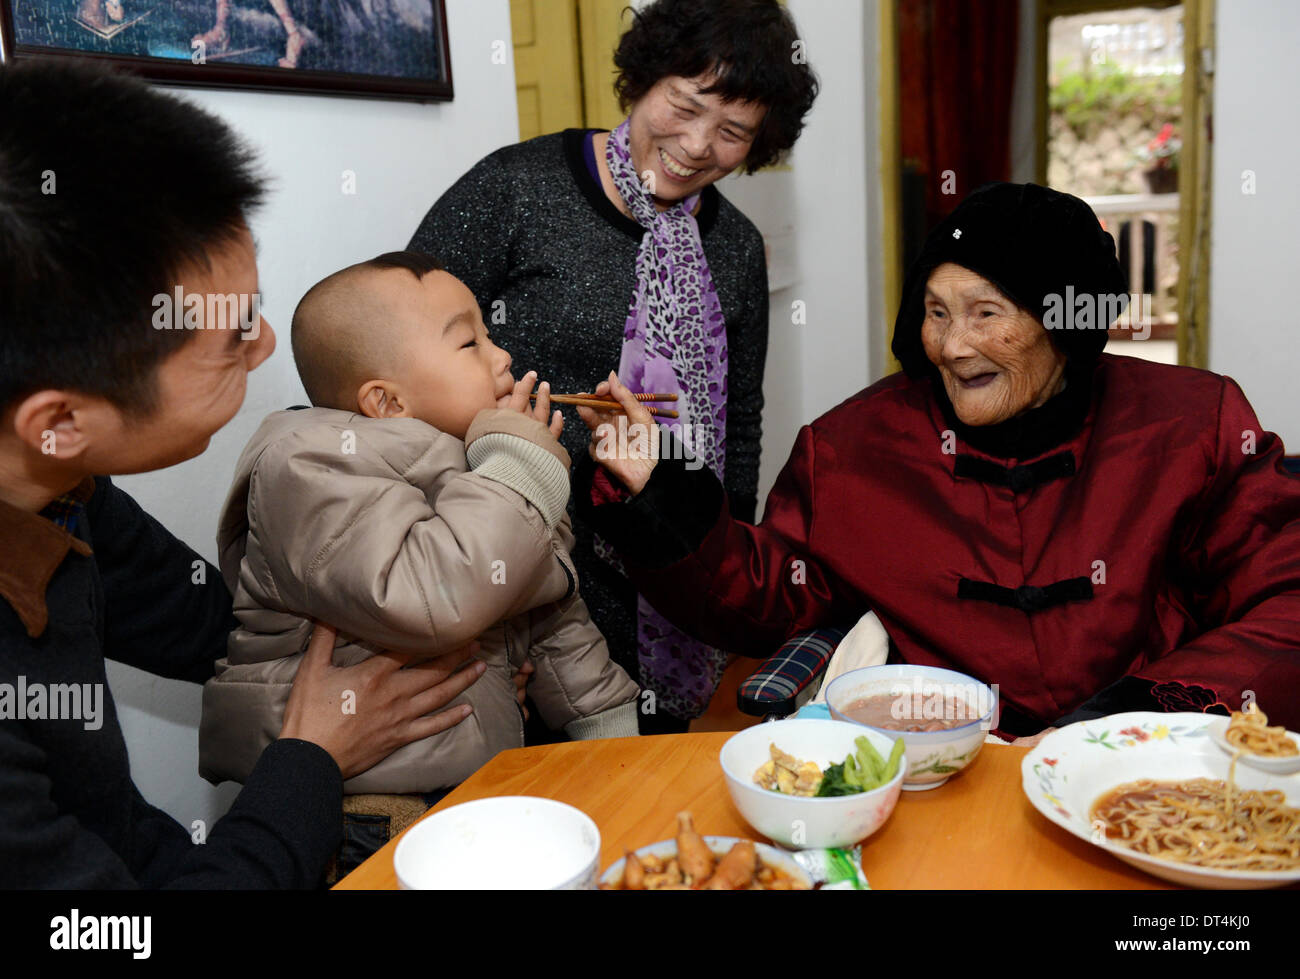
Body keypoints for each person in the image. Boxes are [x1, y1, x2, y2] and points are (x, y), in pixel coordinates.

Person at [574, 182, 1300, 740]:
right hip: (941, 769)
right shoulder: (854, 449)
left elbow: (1287, 596)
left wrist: (1135, 713)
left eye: (987, 313)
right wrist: (658, 488)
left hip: (1144, 762)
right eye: (936, 311)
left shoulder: (1191, 425)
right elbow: (774, 596)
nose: (953, 346)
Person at [0, 59, 484, 887]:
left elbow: (216, 624)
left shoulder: (57, 494)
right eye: (233, 336)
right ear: (61, 423)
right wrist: (310, 758)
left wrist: (437, 633)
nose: (265, 346)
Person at [409, 0, 818, 732]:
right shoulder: (516, 190)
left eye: (732, 132)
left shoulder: (736, 248)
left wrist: (719, 573)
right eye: (682, 105)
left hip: (664, 580)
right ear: (642, 79)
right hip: (514, 570)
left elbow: (741, 428)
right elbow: (406, 356)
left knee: (646, 800)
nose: (695, 145)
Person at [199, 253, 639, 845]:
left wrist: (609, 733)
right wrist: (516, 469)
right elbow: (433, 594)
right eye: (469, 343)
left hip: (471, 786)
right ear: (387, 403)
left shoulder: (479, 466)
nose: (501, 355)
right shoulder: (309, 465)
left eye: (489, 333)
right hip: (363, 808)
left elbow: (548, 607)